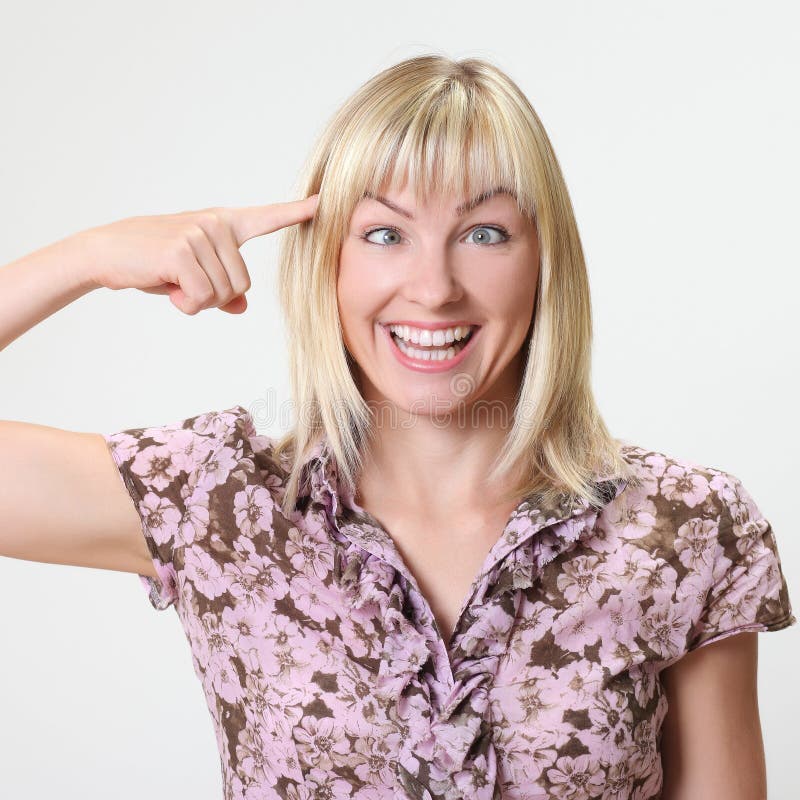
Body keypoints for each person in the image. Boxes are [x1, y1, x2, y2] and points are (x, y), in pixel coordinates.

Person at [0, 53, 795, 800]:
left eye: (485, 233)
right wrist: (89, 256)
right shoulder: (218, 501)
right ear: (329, 261)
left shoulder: (684, 528)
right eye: (385, 234)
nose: (434, 287)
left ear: (544, 260)